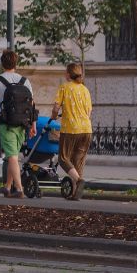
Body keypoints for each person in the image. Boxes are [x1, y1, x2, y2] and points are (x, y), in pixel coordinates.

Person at [0, 49, 38, 198]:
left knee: (12, 157)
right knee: (13, 155)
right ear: (16, 63)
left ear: (2, 64)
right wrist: (33, 125)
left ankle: (19, 189)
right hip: (22, 124)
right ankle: (7, 187)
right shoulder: (25, 81)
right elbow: (32, 105)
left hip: (7, 124)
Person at [52, 61, 94, 197]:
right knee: (78, 161)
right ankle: (76, 193)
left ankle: (79, 180)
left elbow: (56, 108)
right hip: (86, 130)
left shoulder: (64, 87)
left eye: (66, 72)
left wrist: (53, 117)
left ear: (69, 74)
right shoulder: (85, 89)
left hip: (70, 129)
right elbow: (89, 112)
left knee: (63, 158)